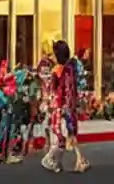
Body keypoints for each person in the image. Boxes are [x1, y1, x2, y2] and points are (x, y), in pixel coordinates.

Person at [41, 40, 91, 174]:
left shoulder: (60, 70)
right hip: (68, 105)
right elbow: (71, 89)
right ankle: (74, 160)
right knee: (68, 133)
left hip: (61, 105)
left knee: (62, 135)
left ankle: (53, 159)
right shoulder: (71, 68)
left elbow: (55, 89)